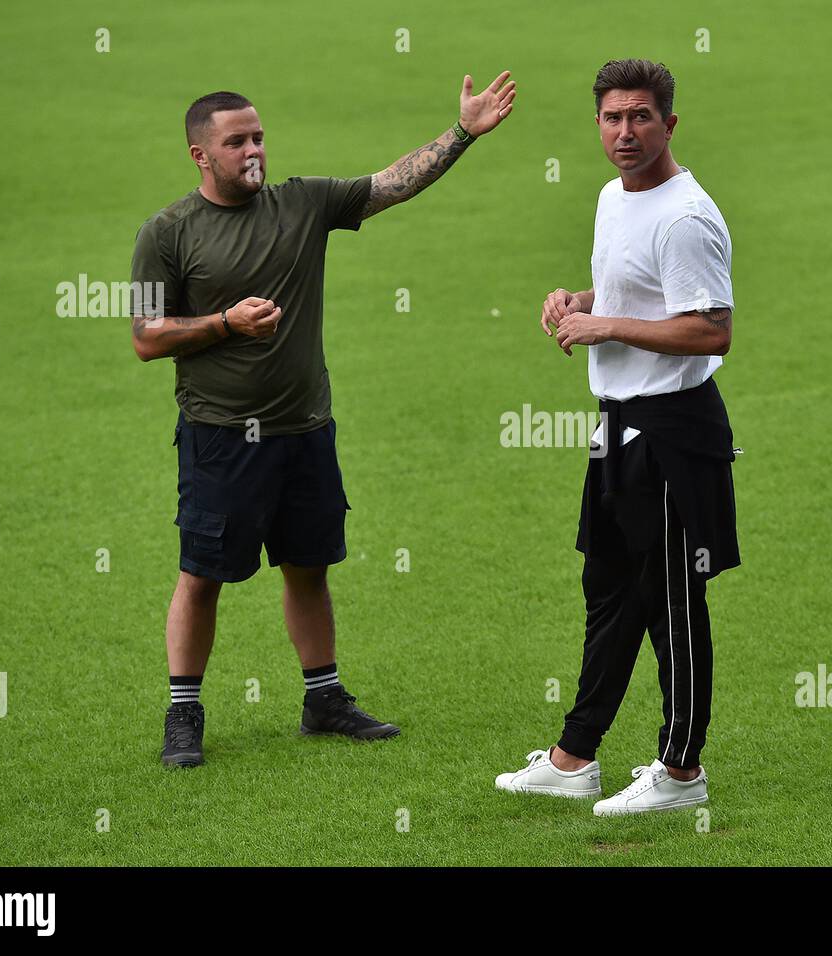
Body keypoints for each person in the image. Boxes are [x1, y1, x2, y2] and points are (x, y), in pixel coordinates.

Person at [131, 75, 517, 767]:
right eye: (235, 142)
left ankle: (323, 698)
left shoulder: (304, 203)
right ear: (200, 156)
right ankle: (184, 711)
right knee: (202, 573)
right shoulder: (167, 233)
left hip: (306, 429)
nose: (253, 150)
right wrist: (225, 322)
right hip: (221, 436)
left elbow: (391, 184)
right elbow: (146, 338)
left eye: (258, 136)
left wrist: (461, 133)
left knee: (309, 567)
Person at [495, 59, 737, 815]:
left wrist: (604, 325)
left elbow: (709, 328)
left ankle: (682, 773)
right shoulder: (611, 196)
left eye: (640, 117)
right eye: (611, 118)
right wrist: (581, 300)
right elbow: (642, 291)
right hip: (616, 428)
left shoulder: (686, 215)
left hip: (670, 434)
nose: (625, 132)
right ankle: (575, 758)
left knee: (671, 601)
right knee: (607, 591)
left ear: (670, 122)